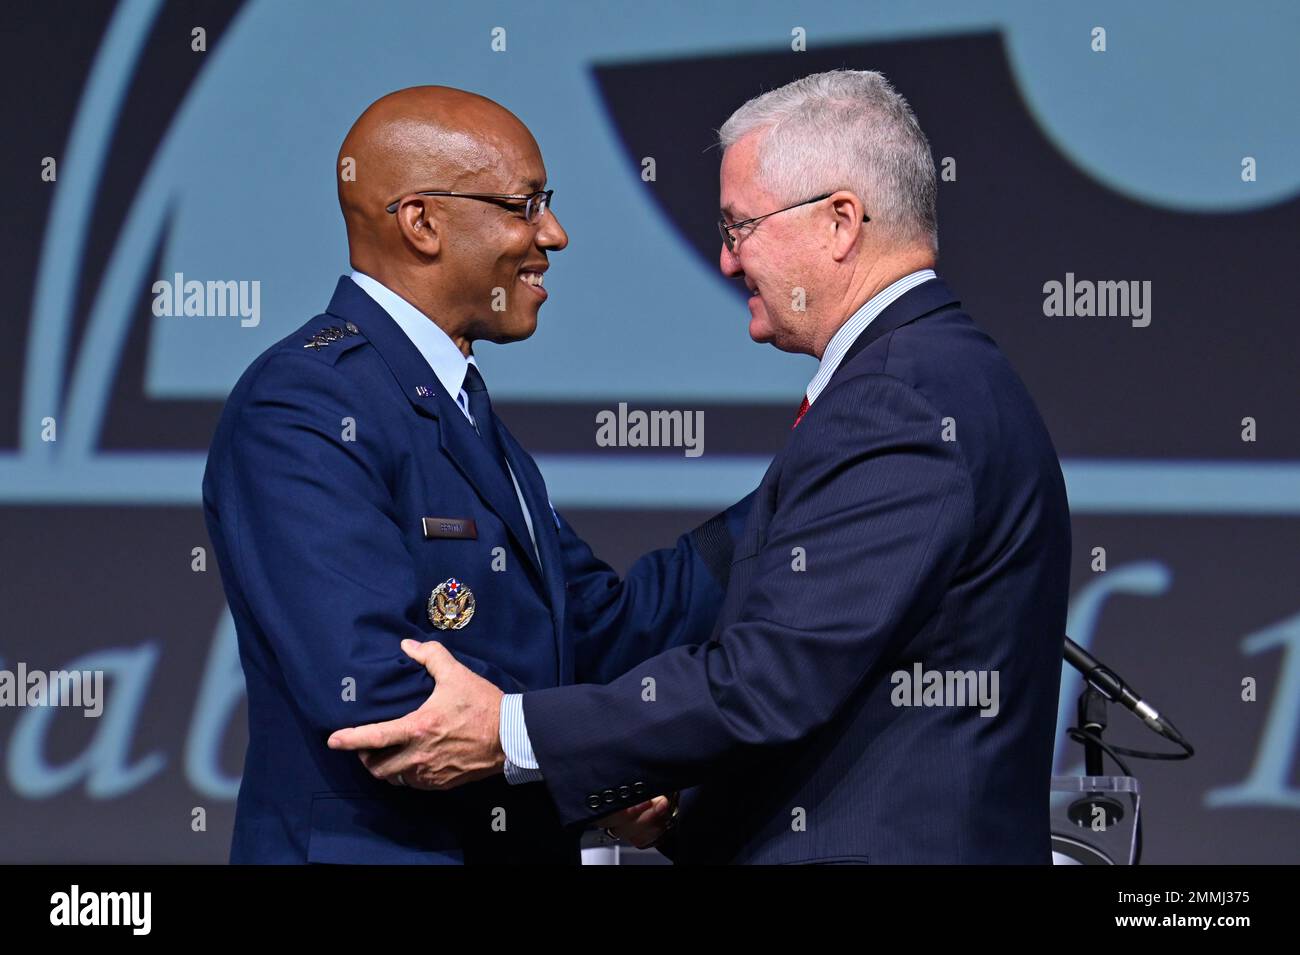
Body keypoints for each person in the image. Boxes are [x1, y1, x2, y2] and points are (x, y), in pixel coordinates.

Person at [332, 70, 1072, 864]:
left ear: (840, 223)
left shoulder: (901, 398)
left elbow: (769, 679)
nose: (725, 260)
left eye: (737, 226)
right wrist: (670, 801)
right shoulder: (931, 378)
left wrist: (509, 729)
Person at [203, 86, 741, 864]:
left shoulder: (461, 408)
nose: (553, 233)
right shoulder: (304, 402)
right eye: (526, 204)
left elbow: (603, 630)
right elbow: (379, 692)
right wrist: (580, 761)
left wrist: (807, 489)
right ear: (421, 222)